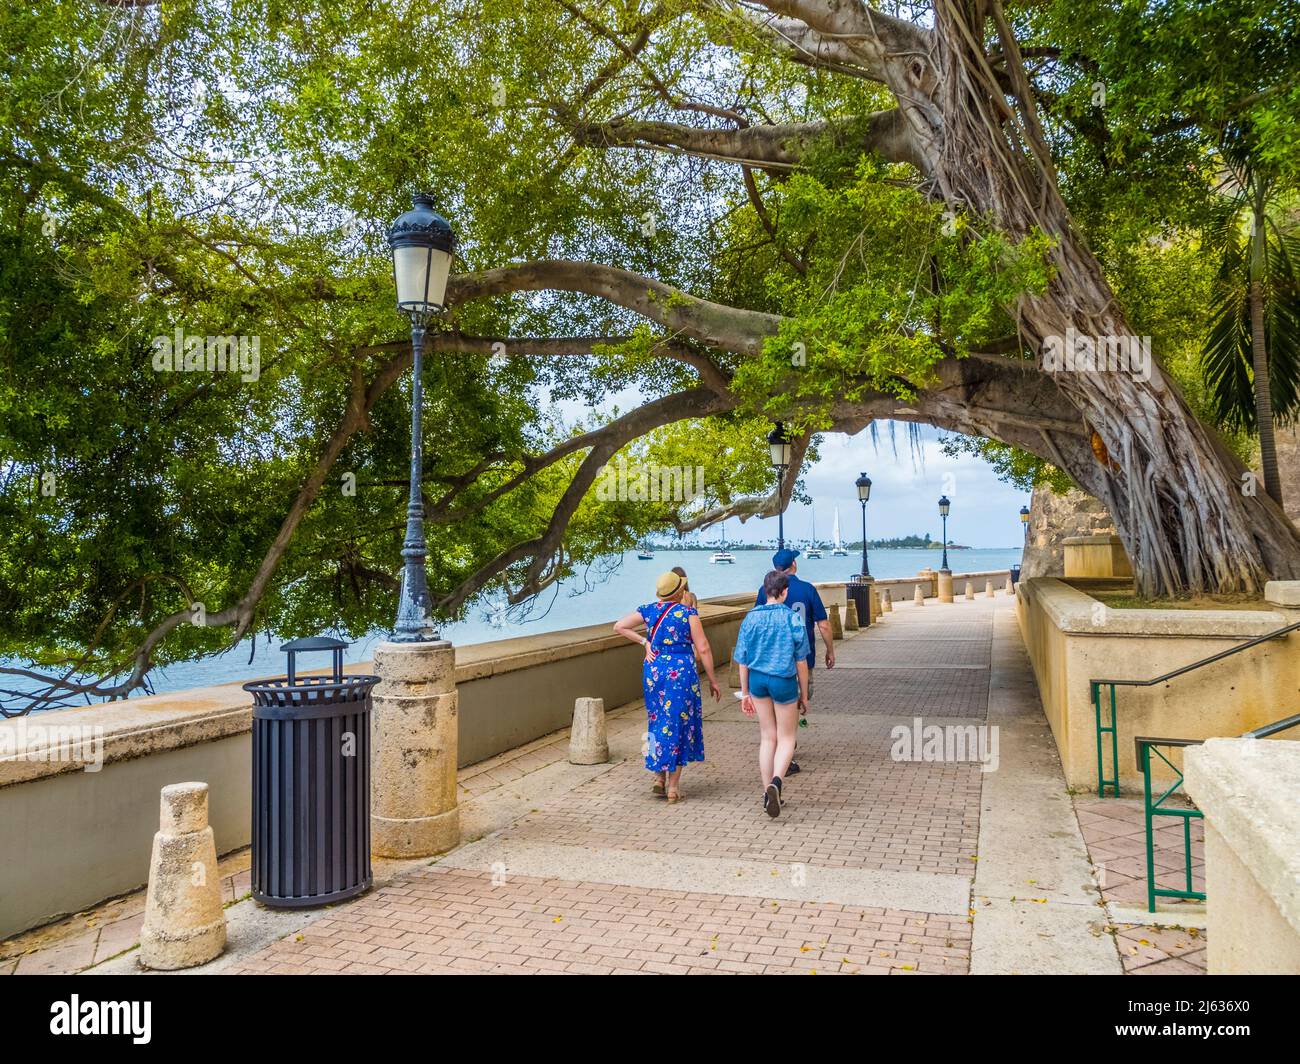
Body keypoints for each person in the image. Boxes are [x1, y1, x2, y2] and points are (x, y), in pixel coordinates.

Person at [614, 570, 722, 803]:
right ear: (681, 591)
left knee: (658, 720)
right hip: (681, 673)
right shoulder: (688, 614)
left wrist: (645, 642)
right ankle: (673, 787)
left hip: (654, 671)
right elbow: (703, 648)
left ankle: (658, 778)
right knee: (679, 724)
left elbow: (619, 626)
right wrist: (713, 680)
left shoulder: (648, 610)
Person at [735, 570, 810, 818]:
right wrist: (804, 694)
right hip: (783, 680)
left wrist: (745, 692)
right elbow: (801, 661)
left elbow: (742, 660)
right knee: (787, 737)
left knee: (768, 737)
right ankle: (776, 782)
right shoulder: (792, 619)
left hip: (757, 680)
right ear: (785, 591)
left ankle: (766, 795)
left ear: (765, 590)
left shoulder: (750, 619)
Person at [754, 548, 834, 774]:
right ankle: (785, 753)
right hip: (802, 659)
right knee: (796, 701)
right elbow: (824, 624)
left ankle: (783, 748)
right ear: (794, 565)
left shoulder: (764, 590)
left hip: (769, 662)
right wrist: (830, 650)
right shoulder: (807, 589)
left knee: (776, 706)